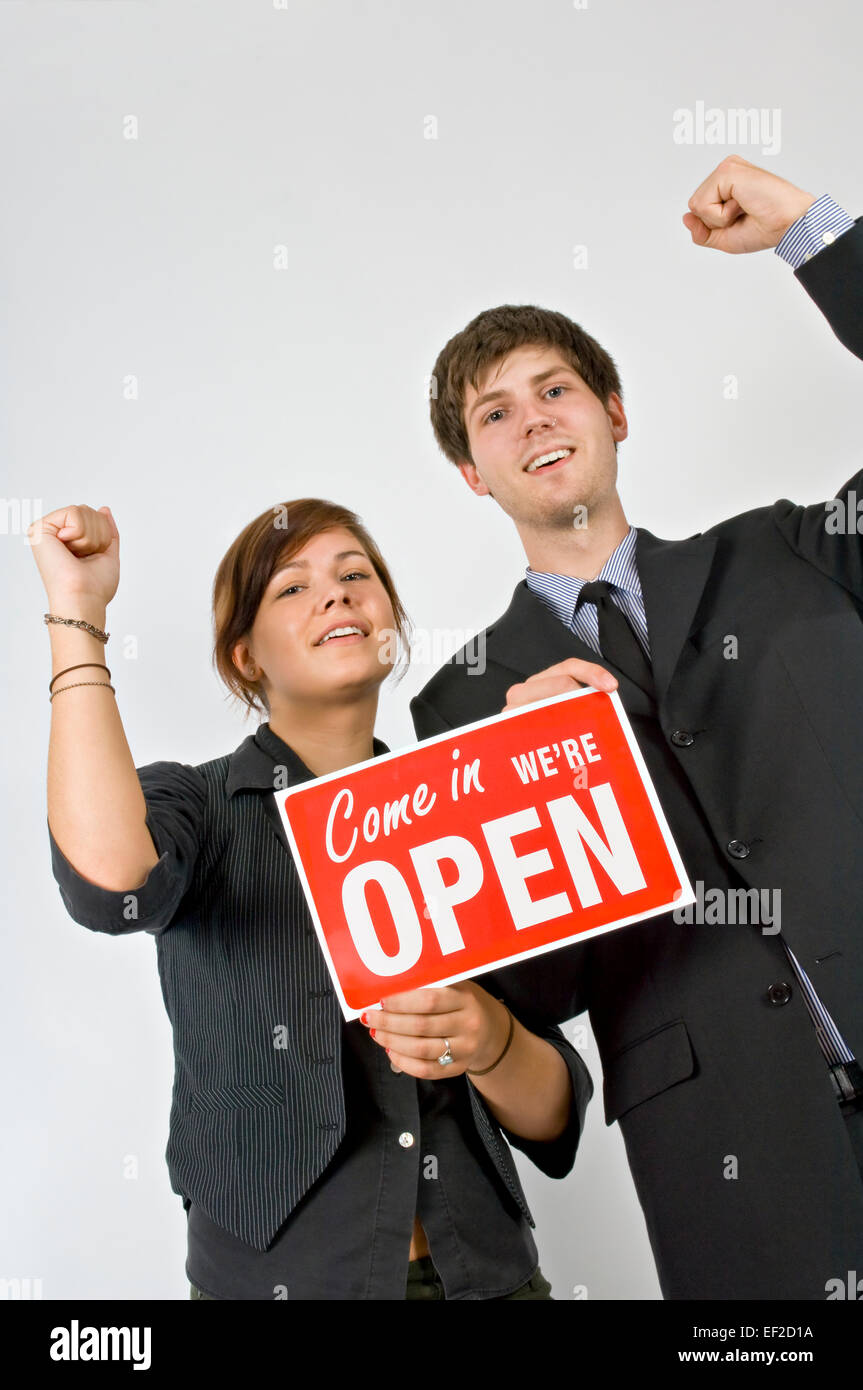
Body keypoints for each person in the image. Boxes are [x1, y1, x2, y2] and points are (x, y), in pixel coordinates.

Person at [410, 155, 863, 1300]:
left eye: (555, 389)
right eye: (494, 414)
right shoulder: (456, 711)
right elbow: (526, 1008)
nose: (534, 422)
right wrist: (522, 781)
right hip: (730, 1166)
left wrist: (811, 232)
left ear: (612, 411)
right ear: (472, 473)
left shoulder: (787, 551)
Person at [31, 496, 591, 1300]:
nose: (335, 594)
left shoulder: (463, 808)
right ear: (244, 655)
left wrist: (491, 1037)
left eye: (355, 575)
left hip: (492, 1279)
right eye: (292, 588)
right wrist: (77, 612)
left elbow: (554, 1118)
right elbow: (108, 880)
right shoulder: (197, 806)